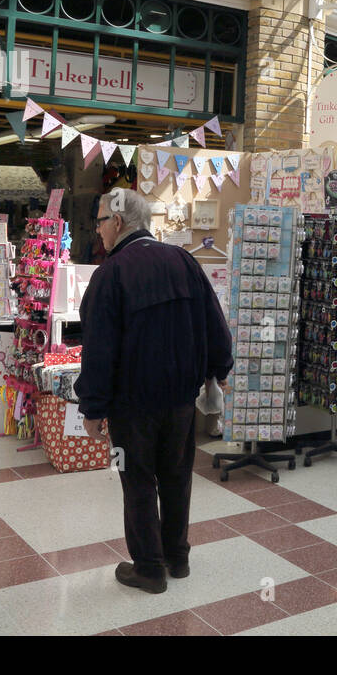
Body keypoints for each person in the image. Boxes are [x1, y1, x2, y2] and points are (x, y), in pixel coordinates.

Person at [75, 190, 233, 594]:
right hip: (182, 399)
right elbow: (214, 321)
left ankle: (148, 568)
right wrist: (221, 368)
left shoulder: (110, 275)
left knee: (138, 479)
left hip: (133, 405)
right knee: (177, 475)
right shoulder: (183, 261)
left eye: (100, 221)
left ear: (118, 221)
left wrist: (92, 408)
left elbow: (98, 349)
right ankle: (177, 557)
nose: (98, 230)